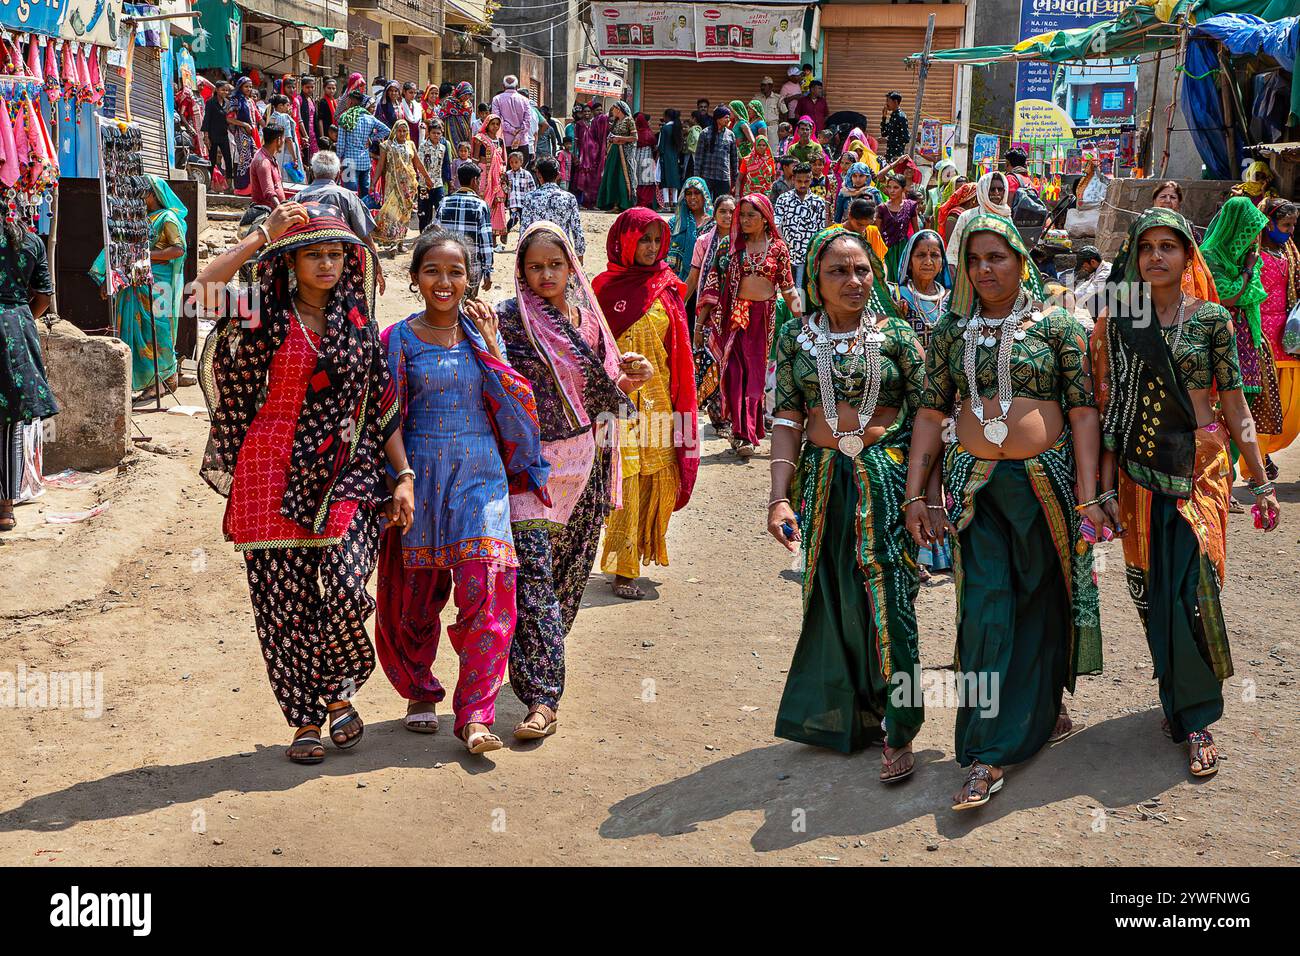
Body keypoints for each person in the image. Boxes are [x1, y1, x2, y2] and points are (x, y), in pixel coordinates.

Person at [194, 202, 408, 765]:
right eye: (313, 253)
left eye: (336, 253)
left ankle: (340, 689)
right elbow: (195, 296)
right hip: (269, 471)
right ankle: (309, 716)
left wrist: (402, 474)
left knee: (341, 586)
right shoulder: (262, 312)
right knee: (282, 605)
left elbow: (381, 403)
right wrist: (263, 232)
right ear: (289, 261)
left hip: (345, 471)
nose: (327, 264)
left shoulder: (357, 322)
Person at [904, 213, 1102, 811]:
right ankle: (987, 752)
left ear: (1021, 260)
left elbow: (1083, 413)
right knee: (985, 607)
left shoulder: (1059, 327)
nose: (986, 269)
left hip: (1046, 487)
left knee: (1041, 601)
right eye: (975, 259)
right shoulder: (949, 332)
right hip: (975, 494)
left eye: (998, 257)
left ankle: (1040, 710)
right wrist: (919, 494)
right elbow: (930, 415)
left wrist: (1093, 494)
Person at [1092, 207, 1280, 779]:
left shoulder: (1213, 321)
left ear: (1187, 255)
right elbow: (1108, 410)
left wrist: (1260, 479)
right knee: (1150, 589)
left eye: (1167, 246)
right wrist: (1098, 488)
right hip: (1139, 472)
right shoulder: (1120, 321)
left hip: (1200, 470)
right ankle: (1177, 694)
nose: (1155, 256)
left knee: (1192, 588)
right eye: (1145, 247)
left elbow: (1235, 403)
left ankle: (1197, 718)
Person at [374, 228, 547, 753]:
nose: (444, 281)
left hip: (480, 475)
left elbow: (518, 403)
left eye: (455, 272)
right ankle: (420, 690)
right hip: (419, 477)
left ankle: (475, 713)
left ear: (471, 279)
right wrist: (400, 478)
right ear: (414, 279)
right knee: (415, 597)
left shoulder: (482, 334)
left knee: (487, 587)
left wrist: (494, 347)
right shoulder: (397, 339)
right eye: (432, 271)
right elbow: (385, 416)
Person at [768, 228, 926, 771]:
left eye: (862, 270)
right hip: (821, 479)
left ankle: (900, 726)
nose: (853, 281)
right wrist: (777, 498)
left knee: (888, 597)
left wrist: (922, 490)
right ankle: (850, 713)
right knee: (832, 591)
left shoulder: (898, 337)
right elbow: (788, 417)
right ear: (815, 279)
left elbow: (929, 415)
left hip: (883, 477)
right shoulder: (793, 336)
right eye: (838, 271)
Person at [496, 222, 651, 738]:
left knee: (568, 580)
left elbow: (602, 391)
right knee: (533, 579)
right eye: (535, 266)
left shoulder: (590, 323)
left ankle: (534, 663)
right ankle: (543, 699)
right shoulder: (507, 321)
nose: (545, 275)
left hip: (586, 461)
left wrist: (633, 375)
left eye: (555, 265)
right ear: (521, 269)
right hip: (531, 467)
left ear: (571, 267)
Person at [593, 208, 700, 600]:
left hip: (658, 402)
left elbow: (680, 352)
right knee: (625, 476)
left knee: (657, 477)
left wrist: (682, 405)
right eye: (644, 240)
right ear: (625, 240)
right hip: (616, 401)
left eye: (657, 240)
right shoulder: (602, 289)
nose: (651, 248)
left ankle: (639, 551)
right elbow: (591, 346)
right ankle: (623, 568)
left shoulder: (667, 288)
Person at [698, 194, 800, 457]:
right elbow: (712, 284)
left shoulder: (778, 248)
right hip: (733, 317)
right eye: (741, 215)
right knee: (733, 374)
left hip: (763, 318)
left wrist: (803, 320)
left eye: (750, 215)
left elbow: (788, 289)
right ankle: (741, 434)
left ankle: (748, 430)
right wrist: (699, 325)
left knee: (754, 379)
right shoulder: (729, 247)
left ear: (765, 219)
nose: (743, 220)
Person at [1201, 196, 1281, 484]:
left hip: (1246, 341)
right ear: (1237, 229)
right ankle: (1218, 475)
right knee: (1218, 410)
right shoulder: (1211, 256)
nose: (1255, 239)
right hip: (1217, 341)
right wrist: (1247, 271)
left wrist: (1247, 274)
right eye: (1251, 231)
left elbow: (1252, 292)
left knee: (1242, 406)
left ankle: (1229, 476)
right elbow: (1228, 295)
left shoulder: (1251, 259)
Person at [89, 175, 187, 401]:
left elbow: (178, 250)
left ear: (153, 194)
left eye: (142, 193)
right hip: (137, 283)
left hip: (158, 284)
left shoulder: (167, 218)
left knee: (158, 331)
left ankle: (166, 378)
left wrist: (145, 256)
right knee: (139, 333)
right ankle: (144, 380)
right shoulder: (139, 219)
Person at [893, 228, 953, 578]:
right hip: (909, 398)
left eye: (934, 255)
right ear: (909, 261)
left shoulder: (953, 299)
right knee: (914, 468)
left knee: (941, 471)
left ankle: (938, 551)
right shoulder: (897, 297)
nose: (928, 261)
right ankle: (913, 552)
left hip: (947, 397)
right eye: (921, 255)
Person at [0, 221, 58, 532]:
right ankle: (6, 508)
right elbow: (44, 297)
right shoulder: (32, 242)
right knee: (11, 422)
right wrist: (18, 315)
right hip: (16, 332)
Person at [296, 150, 386, 292]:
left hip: (306, 269)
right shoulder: (348, 197)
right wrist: (376, 266)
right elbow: (364, 235)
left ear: (313, 173)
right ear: (338, 174)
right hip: (341, 269)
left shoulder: (298, 198)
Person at [1257, 198, 1300, 460]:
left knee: (1292, 409)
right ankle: (1257, 462)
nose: (1291, 231)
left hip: (1289, 337)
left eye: (1294, 225)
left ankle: (1264, 454)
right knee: (1264, 404)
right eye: (1285, 225)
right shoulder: (1252, 256)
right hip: (1260, 336)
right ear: (1268, 223)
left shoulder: (1291, 254)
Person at [436, 162, 495, 297]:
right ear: (474, 180)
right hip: (472, 268)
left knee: (450, 302)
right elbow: (485, 241)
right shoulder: (480, 205)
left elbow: (435, 234)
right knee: (469, 305)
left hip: (447, 265)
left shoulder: (444, 202)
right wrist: (488, 271)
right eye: (479, 180)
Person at [373, 120, 433, 248]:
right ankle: (392, 242)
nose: (402, 133)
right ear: (394, 131)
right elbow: (380, 166)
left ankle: (400, 243)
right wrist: (373, 183)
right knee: (392, 213)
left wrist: (427, 178)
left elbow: (417, 163)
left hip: (409, 186)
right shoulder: (386, 146)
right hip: (393, 185)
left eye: (404, 131)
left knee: (405, 214)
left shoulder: (410, 145)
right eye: (399, 131)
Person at [774, 162, 827, 295]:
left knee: (801, 292)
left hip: (807, 256)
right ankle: (790, 315)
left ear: (811, 179)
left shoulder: (818, 202)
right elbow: (776, 224)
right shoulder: (783, 199)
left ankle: (799, 315)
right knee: (785, 292)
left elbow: (821, 231)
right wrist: (782, 242)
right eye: (799, 181)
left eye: (806, 181)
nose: (803, 184)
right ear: (793, 179)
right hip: (785, 256)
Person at [518, 156, 586, 260]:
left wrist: (522, 254)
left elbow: (525, 229)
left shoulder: (530, 198)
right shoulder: (569, 198)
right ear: (558, 175)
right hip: (562, 250)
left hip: (537, 250)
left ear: (539, 175)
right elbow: (576, 229)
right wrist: (579, 253)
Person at [945, 171, 1011, 268]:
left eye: (1000, 189)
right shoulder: (967, 217)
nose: (996, 193)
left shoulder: (1007, 216)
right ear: (983, 190)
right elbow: (953, 252)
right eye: (992, 189)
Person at [335, 89, 391, 196]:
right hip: (365, 162)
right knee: (365, 194)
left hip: (349, 162)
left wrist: (338, 161)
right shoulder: (370, 118)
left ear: (350, 101)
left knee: (350, 194)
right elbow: (386, 130)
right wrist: (372, 138)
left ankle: (351, 213)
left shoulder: (345, 118)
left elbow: (341, 145)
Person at [471, 114, 509, 248]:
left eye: (497, 124)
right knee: (483, 203)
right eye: (492, 123)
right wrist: (474, 176)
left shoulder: (500, 141)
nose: (495, 127)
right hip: (483, 174)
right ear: (487, 124)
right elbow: (475, 159)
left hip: (497, 177)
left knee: (497, 204)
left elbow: (503, 159)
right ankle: (480, 236)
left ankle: (493, 238)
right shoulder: (479, 139)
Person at [667, 177, 713, 283]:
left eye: (697, 193)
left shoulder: (713, 223)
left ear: (705, 195)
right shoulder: (675, 223)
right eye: (688, 193)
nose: (692, 197)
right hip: (677, 279)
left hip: (705, 280)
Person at [596, 101, 639, 213]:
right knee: (612, 177)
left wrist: (619, 138)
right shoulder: (615, 121)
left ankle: (623, 204)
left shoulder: (629, 120)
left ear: (619, 109)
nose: (612, 111)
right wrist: (611, 139)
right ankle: (613, 204)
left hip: (624, 153)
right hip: (614, 152)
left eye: (613, 109)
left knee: (622, 178)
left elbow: (635, 138)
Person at [877, 172, 920, 280]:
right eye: (889, 187)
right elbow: (877, 232)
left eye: (896, 187)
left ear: (903, 189)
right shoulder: (882, 208)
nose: (892, 190)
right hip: (886, 248)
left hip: (903, 248)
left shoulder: (910, 206)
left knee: (903, 278)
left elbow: (916, 231)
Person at [693, 105, 739, 201]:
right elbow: (698, 157)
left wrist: (735, 178)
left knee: (722, 204)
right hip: (707, 176)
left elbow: (734, 158)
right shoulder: (705, 133)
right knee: (705, 204)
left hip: (723, 177)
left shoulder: (731, 135)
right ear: (718, 118)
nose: (728, 119)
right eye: (726, 117)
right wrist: (697, 177)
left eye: (729, 117)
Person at [226, 76, 261, 196]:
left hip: (253, 133)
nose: (249, 89)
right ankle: (242, 188)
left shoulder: (250, 101)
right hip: (241, 133)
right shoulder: (235, 100)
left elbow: (258, 117)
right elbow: (229, 119)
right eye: (246, 86)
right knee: (245, 159)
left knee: (254, 158)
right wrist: (244, 124)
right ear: (240, 87)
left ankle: (252, 187)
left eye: (250, 87)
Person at [416, 118, 452, 232]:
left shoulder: (443, 147)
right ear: (429, 133)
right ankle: (423, 237)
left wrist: (448, 180)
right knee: (424, 213)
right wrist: (427, 179)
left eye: (438, 133)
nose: (436, 135)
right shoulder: (423, 146)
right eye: (433, 133)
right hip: (424, 185)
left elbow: (444, 165)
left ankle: (440, 237)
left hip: (438, 184)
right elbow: (419, 165)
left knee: (441, 210)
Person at [490, 75, 534, 162]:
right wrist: (518, 136)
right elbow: (527, 122)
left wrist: (512, 130)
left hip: (504, 142)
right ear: (517, 87)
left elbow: (497, 120)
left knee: (504, 172)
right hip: (522, 142)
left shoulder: (496, 99)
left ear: (503, 86)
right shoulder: (525, 100)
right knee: (521, 172)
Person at [1069, 245, 1111, 330]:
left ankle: (1104, 329)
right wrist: (1071, 295)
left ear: (1092, 262)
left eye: (1084, 266)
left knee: (1092, 298)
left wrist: (1071, 301)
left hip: (1120, 308)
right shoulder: (1098, 270)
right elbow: (1086, 285)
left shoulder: (1106, 272)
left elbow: (1090, 290)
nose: (1084, 269)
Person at [248, 125, 287, 210]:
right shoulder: (263, 162)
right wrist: (281, 210)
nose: (284, 142)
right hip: (267, 213)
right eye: (284, 139)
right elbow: (269, 192)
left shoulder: (270, 157)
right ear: (278, 140)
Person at [265, 95, 302, 183]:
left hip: (275, 151)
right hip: (286, 151)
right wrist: (295, 158)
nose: (289, 107)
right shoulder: (283, 117)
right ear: (280, 106)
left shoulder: (273, 117)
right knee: (287, 178)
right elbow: (288, 139)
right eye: (287, 105)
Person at [503, 149, 537, 239]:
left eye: (516, 162)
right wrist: (506, 187)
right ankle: (506, 231)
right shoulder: (507, 175)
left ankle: (522, 240)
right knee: (513, 219)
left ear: (521, 162)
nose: (513, 164)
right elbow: (505, 190)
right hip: (513, 202)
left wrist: (531, 201)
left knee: (524, 221)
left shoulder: (526, 174)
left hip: (524, 203)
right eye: (511, 162)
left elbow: (532, 188)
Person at [843, 198, 888, 262]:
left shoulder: (873, 232)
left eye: (867, 225)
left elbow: (880, 261)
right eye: (859, 224)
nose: (863, 229)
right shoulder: (833, 233)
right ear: (850, 216)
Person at [658, 109, 685, 208]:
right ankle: (674, 202)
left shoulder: (665, 128)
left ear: (667, 117)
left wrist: (660, 155)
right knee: (674, 180)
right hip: (675, 156)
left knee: (665, 179)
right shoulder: (678, 127)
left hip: (666, 156)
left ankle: (666, 203)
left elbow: (661, 145)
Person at [440, 81, 476, 153]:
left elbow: (469, 121)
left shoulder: (469, 105)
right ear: (460, 92)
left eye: (469, 95)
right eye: (465, 94)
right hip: (450, 132)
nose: (467, 97)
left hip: (464, 134)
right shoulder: (448, 102)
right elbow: (441, 117)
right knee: (452, 152)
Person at [739, 133, 777, 198]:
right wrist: (737, 195)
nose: (761, 147)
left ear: (767, 146)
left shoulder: (770, 160)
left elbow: (773, 179)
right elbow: (739, 179)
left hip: (766, 194)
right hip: (750, 194)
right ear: (755, 145)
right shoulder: (747, 160)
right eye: (759, 145)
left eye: (763, 145)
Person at [632, 112, 658, 208]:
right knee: (647, 182)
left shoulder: (635, 133)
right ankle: (646, 202)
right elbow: (655, 146)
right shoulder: (648, 133)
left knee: (637, 181)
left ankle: (638, 202)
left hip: (636, 158)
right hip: (647, 159)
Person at [879, 92, 909, 164]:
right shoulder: (893, 117)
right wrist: (884, 117)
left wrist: (888, 140)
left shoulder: (901, 117)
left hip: (897, 158)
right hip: (889, 156)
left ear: (895, 102)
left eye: (888, 101)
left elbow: (906, 138)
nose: (886, 104)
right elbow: (884, 133)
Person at [297, 76, 318, 162]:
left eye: (312, 87)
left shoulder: (311, 99)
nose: (310, 89)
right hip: (304, 133)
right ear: (302, 87)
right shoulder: (299, 99)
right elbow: (298, 118)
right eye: (307, 87)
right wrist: (303, 136)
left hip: (313, 134)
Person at [316, 77, 338, 150]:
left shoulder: (334, 101)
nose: (331, 91)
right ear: (324, 88)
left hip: (333, 132)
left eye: (333, 88)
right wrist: (322, 136)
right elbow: (320, 120)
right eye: (329, 88)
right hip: (326, 131)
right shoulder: (323, 102)